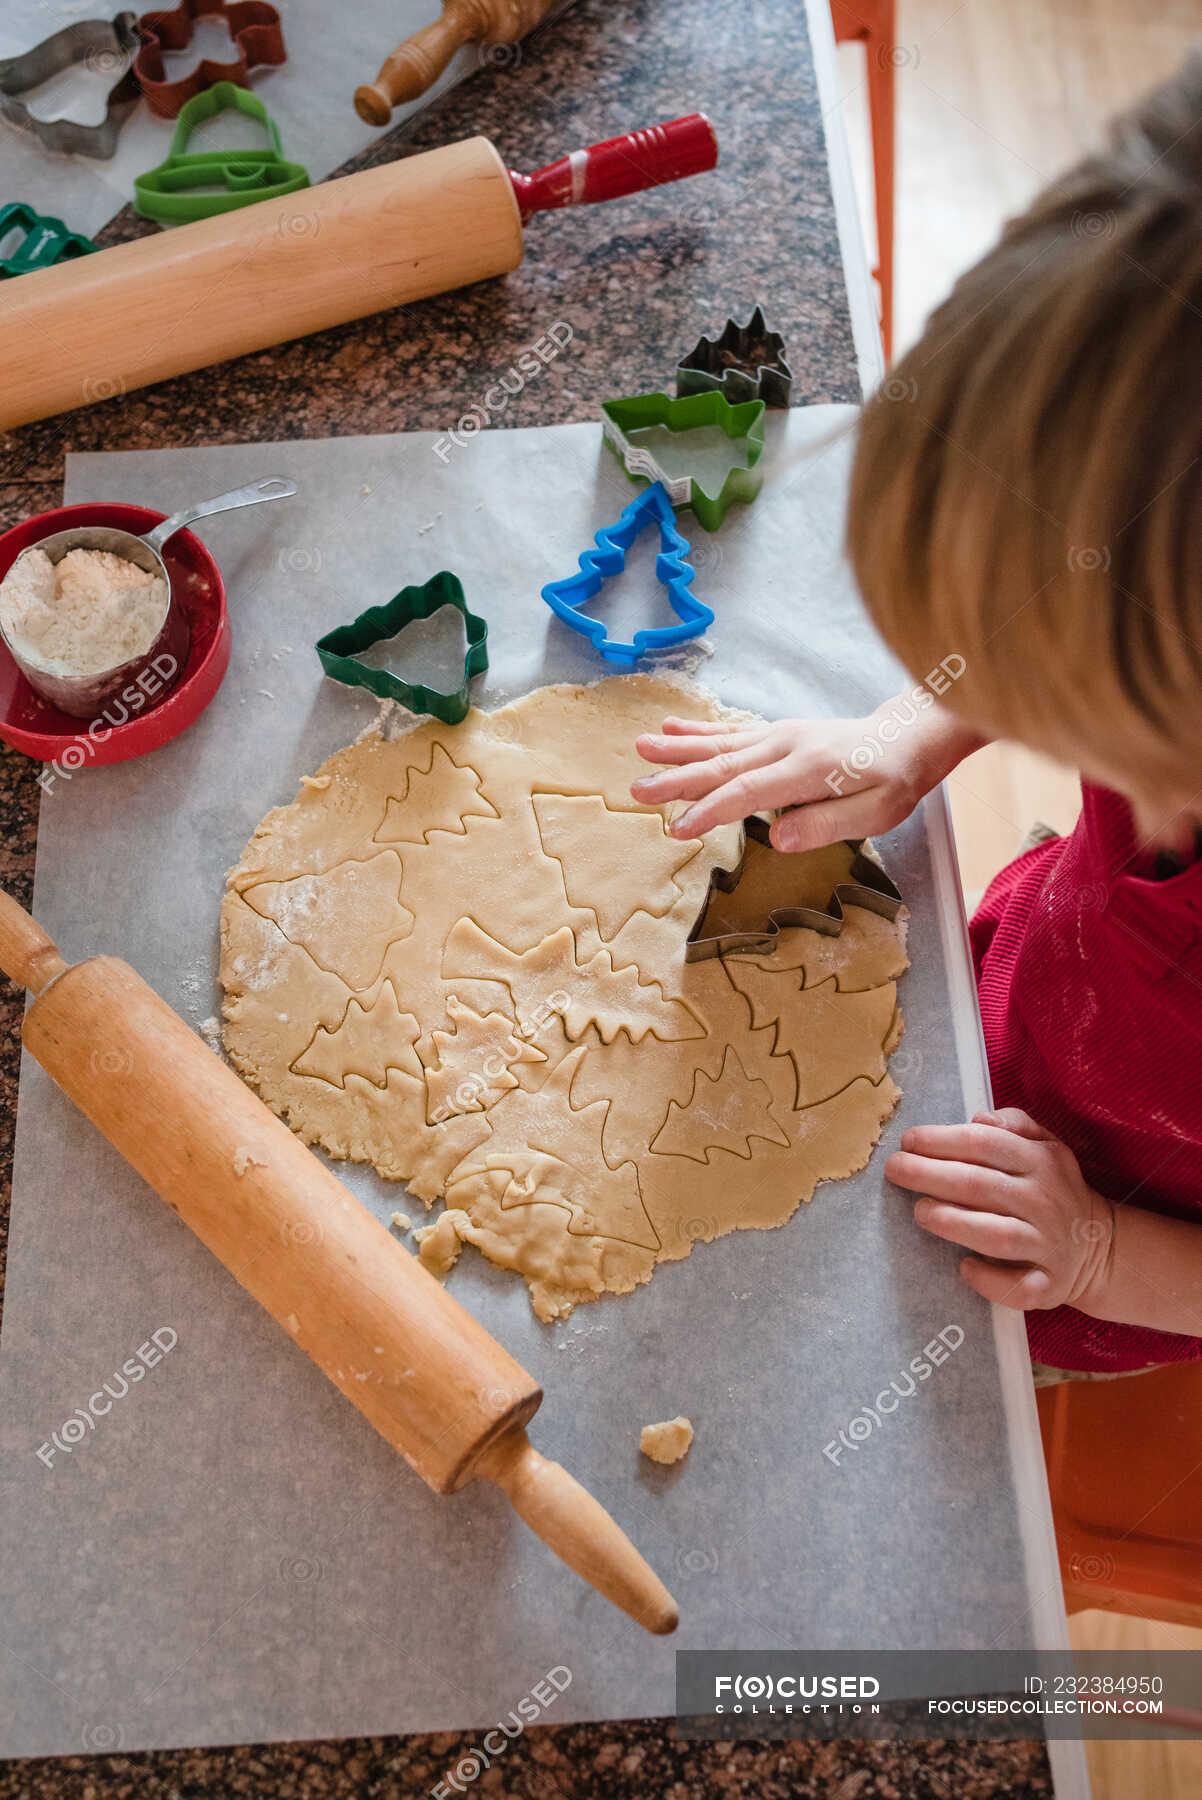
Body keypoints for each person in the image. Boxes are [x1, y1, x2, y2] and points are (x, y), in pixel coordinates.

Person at [630, 57, 1202, 1376]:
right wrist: (909, 726)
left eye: (1094, 734)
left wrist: (1103, 1250)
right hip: (1023, 993)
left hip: (1108, 1244)